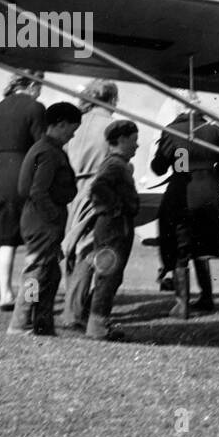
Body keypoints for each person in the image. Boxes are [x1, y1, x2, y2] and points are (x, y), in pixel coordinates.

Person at [150, 99, 219, 318]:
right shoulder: (214, 131)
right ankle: (207, 297)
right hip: (208, 193)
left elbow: (160, 168)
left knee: (180, 246)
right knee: (203, 246)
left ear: (179, 109)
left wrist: (163, 160)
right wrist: (211, 181)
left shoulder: (172, 130)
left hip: (182, 191)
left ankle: (182, 304)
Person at [7, 102, 81, 336]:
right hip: (42, 223)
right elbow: (37, 190)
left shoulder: (46, 148)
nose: (73, 134)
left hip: (42, 222)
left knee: (50, 274)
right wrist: (52, 217)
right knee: (36, 273)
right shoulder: (48, 152)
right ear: (60, 124)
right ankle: (20, 324)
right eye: (72, 128)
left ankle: (42, 324)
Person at [0, 72, 45, 310]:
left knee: (8, 242)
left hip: (0, 178)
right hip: (27, 178)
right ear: (33, 84)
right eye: (40, 86)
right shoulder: (35, 108)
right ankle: (31, 298)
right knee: (36, 244)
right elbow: (41, 149)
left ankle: (5, 295)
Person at [61, 79, 119, 328]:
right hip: (98, 190)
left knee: (71, 249)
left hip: (72, 191)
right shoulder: (112, 126)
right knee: (87, 251)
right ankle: (74, 313)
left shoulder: (77, 123)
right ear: (112, 100)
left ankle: (71, 307)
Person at [82, 120, 140, 341]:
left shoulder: (115, 163)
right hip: (114, 227)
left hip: (112, 226)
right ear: (122, 140)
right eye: (134, 140)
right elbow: (98, 188)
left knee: (109, 275)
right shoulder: (116, 165)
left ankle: (94, 320)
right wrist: (115, 209)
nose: (137, 145)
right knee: (109, 276)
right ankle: (97, 327)